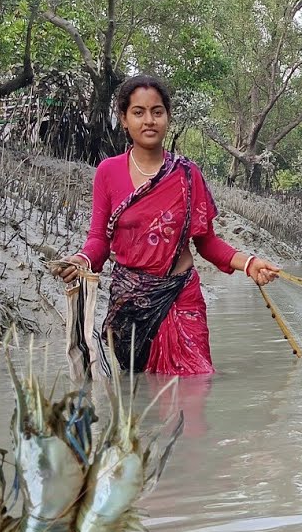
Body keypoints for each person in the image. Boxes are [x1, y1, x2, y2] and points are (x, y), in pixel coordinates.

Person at [54, 74, 281, 376]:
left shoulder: (187, 174)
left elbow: (208, 243)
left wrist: (249, 263)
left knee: (195, 388)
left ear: (168, 118)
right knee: (139, 401)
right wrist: (80, 260)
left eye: (157, 111)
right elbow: (98, 240)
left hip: (181, 296)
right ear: (124, 119)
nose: (149, 120)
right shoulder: (108, 172)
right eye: (138, 112)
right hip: (130, 305)